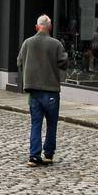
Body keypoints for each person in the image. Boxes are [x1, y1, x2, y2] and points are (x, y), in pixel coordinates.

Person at [17, 14, 67, 167]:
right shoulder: (56, 44)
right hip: (51, 91)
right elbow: (64, 62)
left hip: (34, 92)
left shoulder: (27, 43)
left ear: (37, 27)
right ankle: (48, 155)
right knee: (52, 124)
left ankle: (33, 156)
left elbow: (19, 61)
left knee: (36, 124)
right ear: (49, 27)